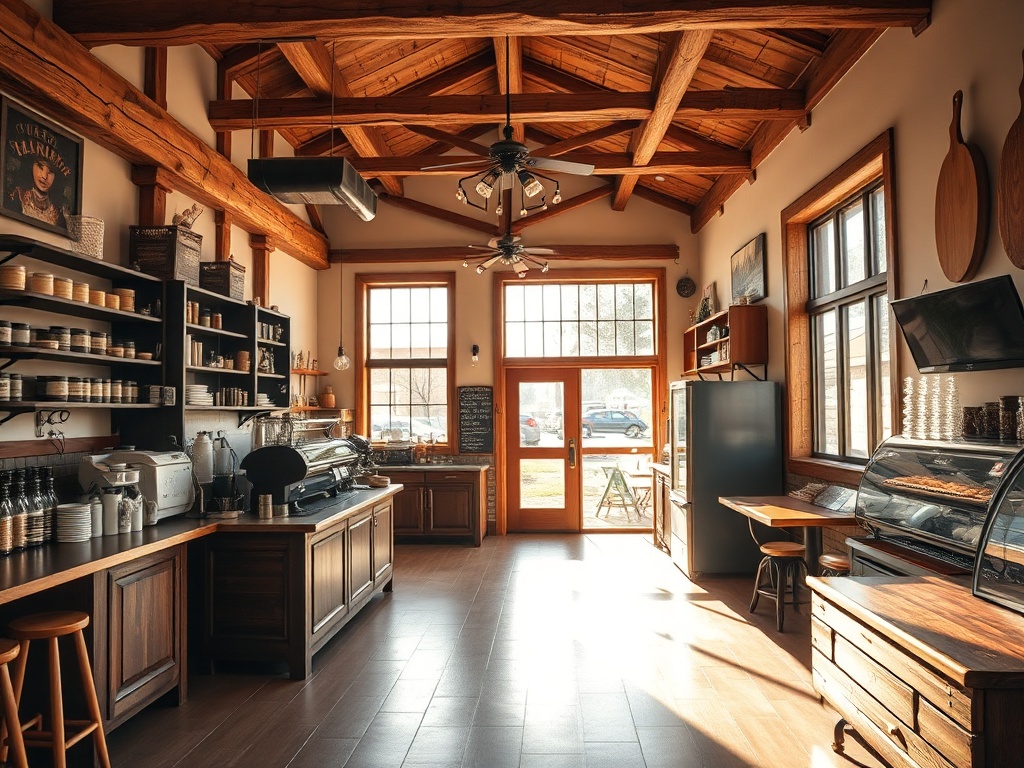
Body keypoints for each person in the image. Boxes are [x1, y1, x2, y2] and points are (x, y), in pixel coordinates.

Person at [7, 152, 68, 229]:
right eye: (40, 167)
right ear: (31, 166)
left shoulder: (59, 213)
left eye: (51, 171)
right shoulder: (18, 196)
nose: (44, 176)